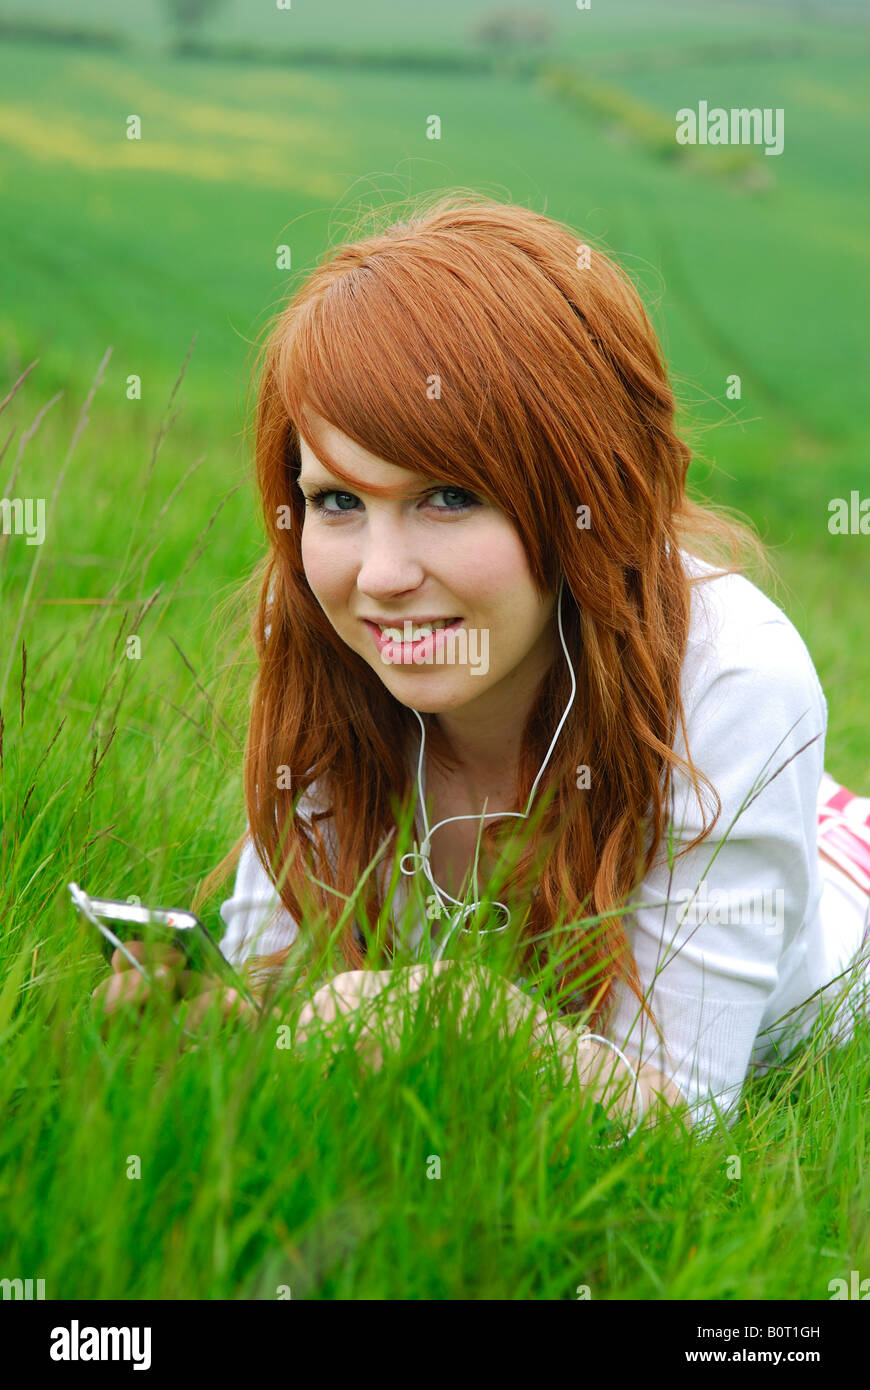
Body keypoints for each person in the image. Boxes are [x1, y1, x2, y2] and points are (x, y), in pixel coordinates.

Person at [94, 194, 870, 1139]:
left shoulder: (737, 681)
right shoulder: (312, 619)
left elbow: (686, 1119)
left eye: (449, 496)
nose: (381, 578)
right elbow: (283, 973)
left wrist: (464, 1017)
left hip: (841, 890)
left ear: (584, 489)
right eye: (337, 500)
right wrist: (216, 1023)